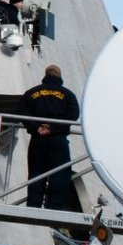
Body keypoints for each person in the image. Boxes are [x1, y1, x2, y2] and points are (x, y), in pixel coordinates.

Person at [20, 63, 81, 209]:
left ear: (45, 75)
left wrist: (37, 127)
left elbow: (22, 111)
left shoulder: (31, 93)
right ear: (59, 77)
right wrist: (53, 128)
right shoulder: (67, 94)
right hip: (58, 139)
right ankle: (54, 205)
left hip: (38, 139)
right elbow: (73, 114)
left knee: (36, 171)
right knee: (60, 172)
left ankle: (34, 204)